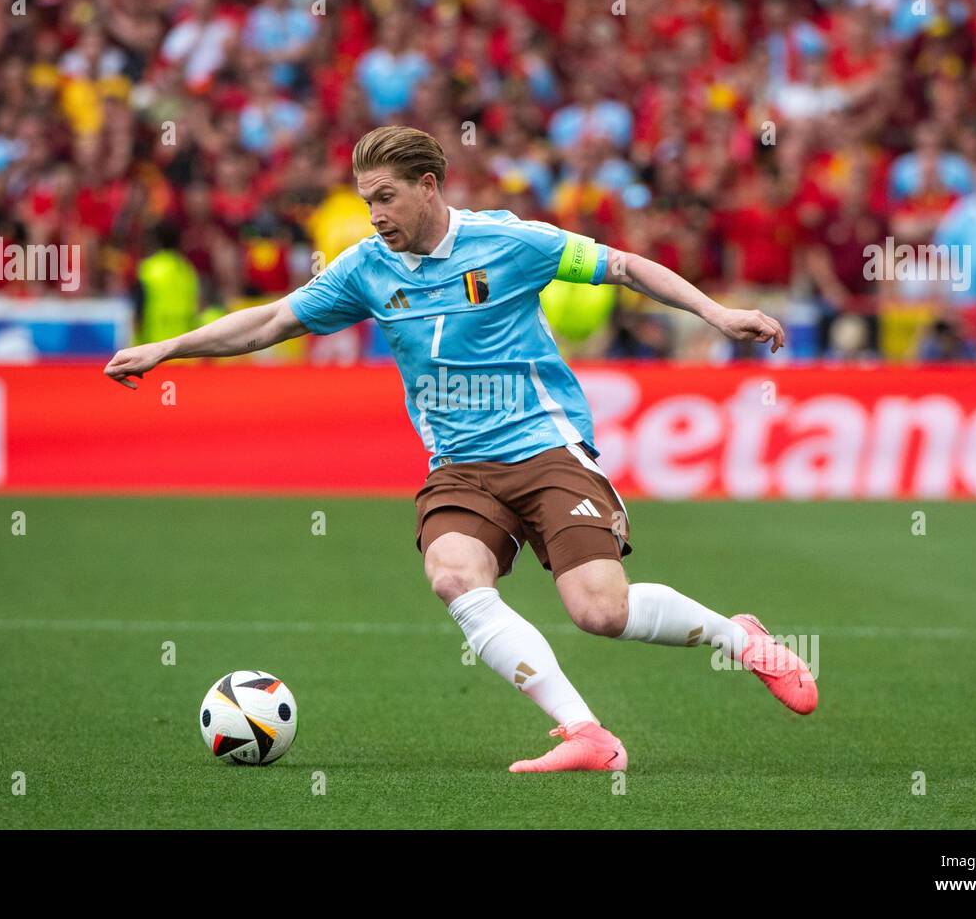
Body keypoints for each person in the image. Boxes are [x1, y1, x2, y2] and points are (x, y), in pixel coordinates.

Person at [103, 126, 817, 773]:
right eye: (365, 201)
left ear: (429, 187)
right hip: (460, 467)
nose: (375, 215)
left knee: (600, 612)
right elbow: (270, 323)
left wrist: (718, 313)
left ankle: (740, 637)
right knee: (452, 574)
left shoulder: (510, 243)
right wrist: (169, 349)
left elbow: (624, 267)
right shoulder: (366, 269)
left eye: (385, 197)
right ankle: (586, 733)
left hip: (546, 447)